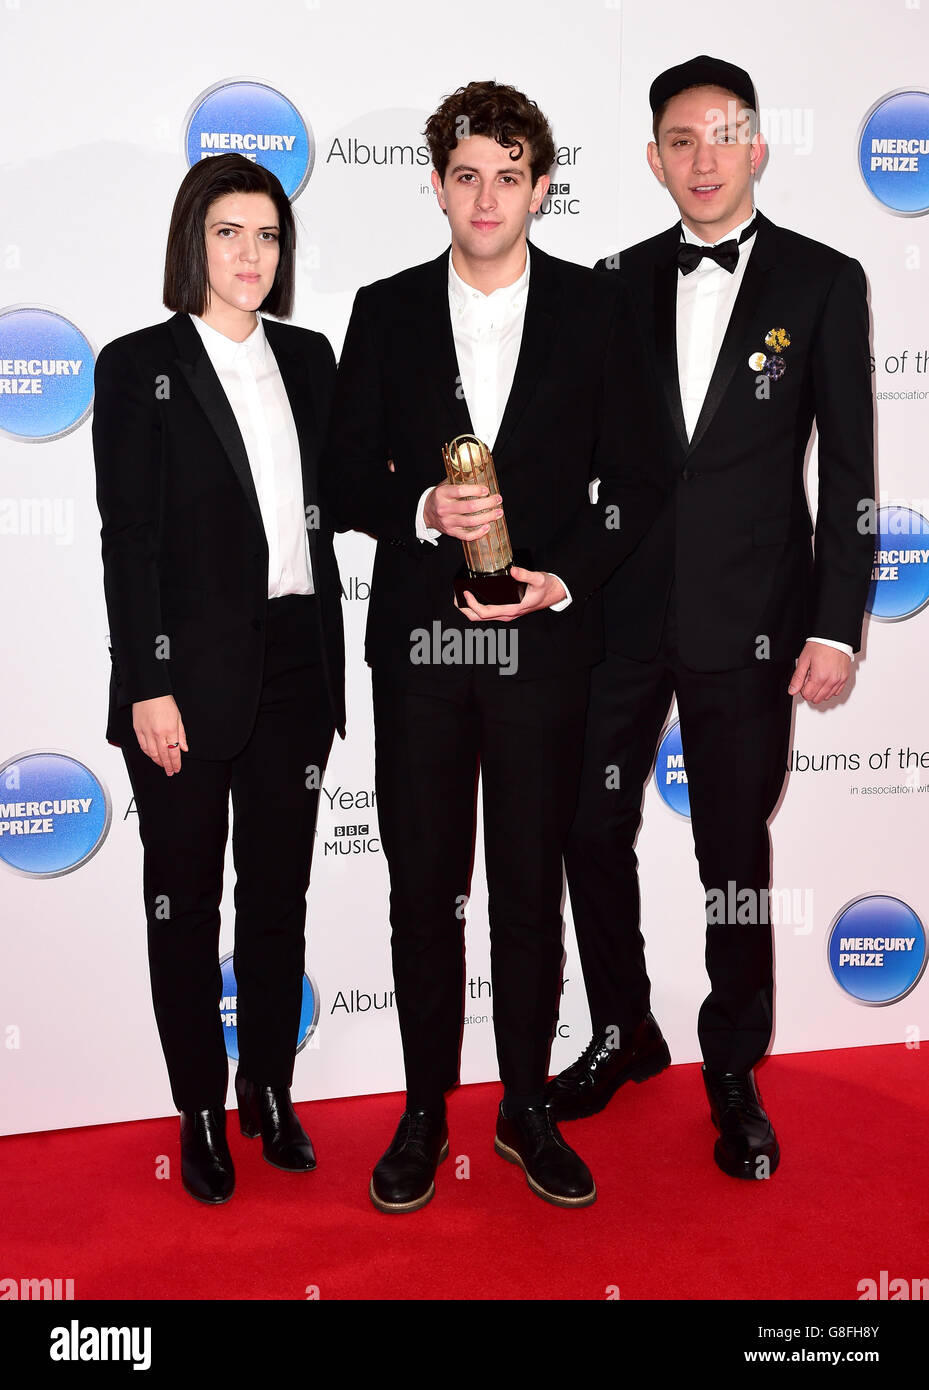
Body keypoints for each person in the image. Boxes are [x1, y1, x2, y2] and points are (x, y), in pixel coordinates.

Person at [323, 79, 664, 1211]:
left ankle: (522, 1107)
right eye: (464, 174)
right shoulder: (383, 308)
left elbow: (642, 475)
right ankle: (425, 1111)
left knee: (525, 887)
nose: (484, 195)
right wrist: (420, 506)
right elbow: (342, 478)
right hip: (419, 649)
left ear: (540, 188)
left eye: (507, 175)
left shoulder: (598, 309)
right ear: (434, 184)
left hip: (541, 651)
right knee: (423, 889)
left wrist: (563, 578)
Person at [546, 56, 875, 1179]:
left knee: (730, 849)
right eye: (677, 141)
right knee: (586, 829)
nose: (700, 159)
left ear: (755, 145)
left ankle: (730, 1065)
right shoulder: (603, 283)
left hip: (751, 626)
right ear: (650, 158)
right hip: (614, 622)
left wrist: (835, 624)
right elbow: (576, 459)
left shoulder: (822, 281)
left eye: (719, 136)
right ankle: (619, 1026)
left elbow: (849, 474)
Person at [92, 152, 345, 1204]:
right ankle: (199, 1106)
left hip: (294, 662)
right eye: (229, 233)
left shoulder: (311, 355)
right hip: (183, 683)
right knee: (183, 902)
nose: (251, 254)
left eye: (268, 235)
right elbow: (129, 538)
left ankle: (268, 1092)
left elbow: (354, 489)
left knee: (278, 894)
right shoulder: (137, 362)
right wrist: (147, 682)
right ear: (191, 242)